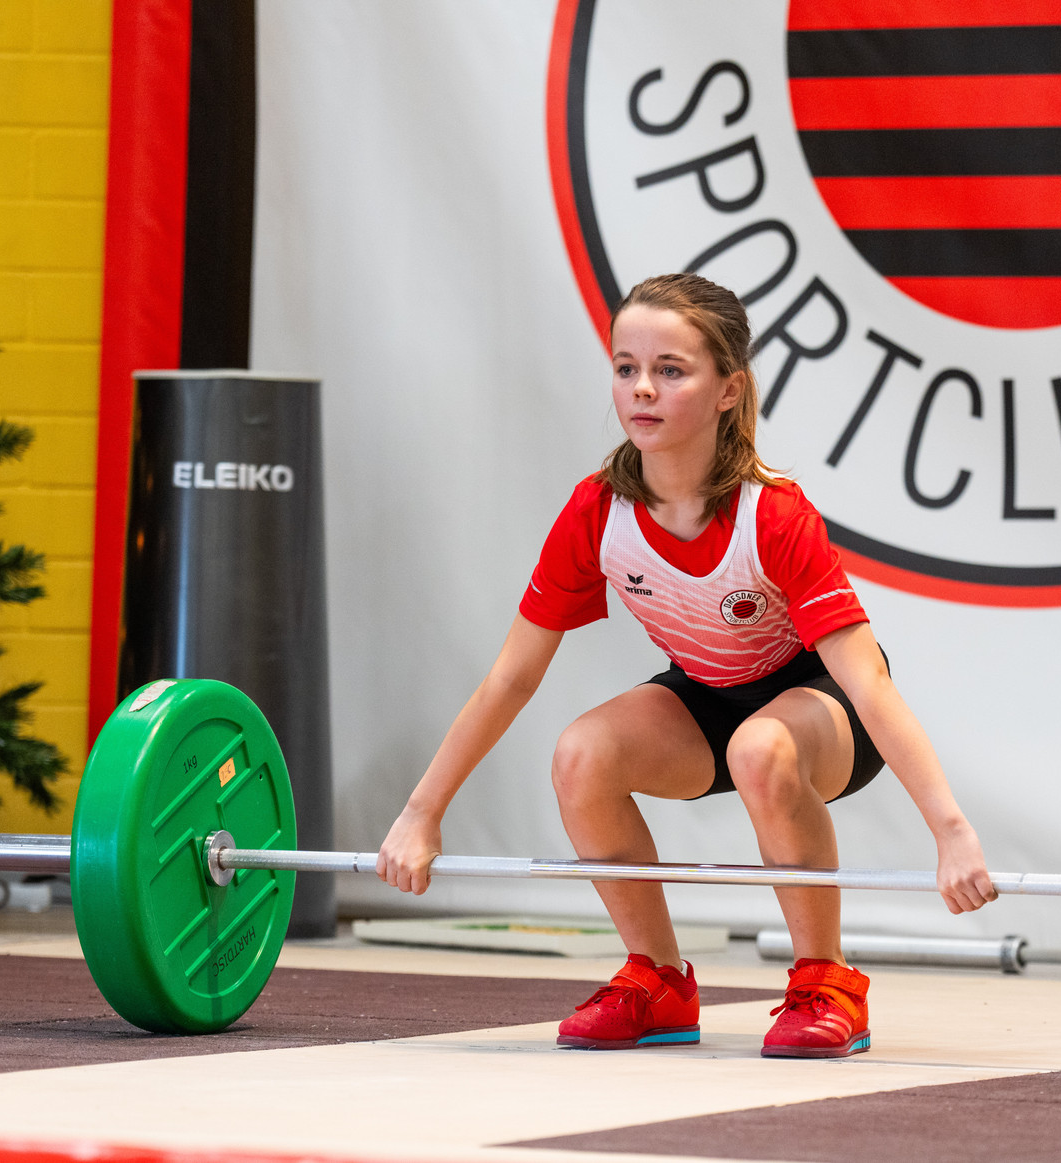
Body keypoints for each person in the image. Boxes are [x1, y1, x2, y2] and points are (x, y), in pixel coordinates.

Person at [376, 272, 996, 1058]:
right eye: (626, 366)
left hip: (821, 704)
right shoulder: (598, 511)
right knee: (581, 753)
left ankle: (827, 981)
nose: (642, 388)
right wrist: (421, 812)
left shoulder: (773, 514)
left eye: (671, 369)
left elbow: (867, 678)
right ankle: (659, 979)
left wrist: (952, 831)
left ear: (729, 388)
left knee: (761, 748)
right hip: (707, 697)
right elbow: (511, 678)